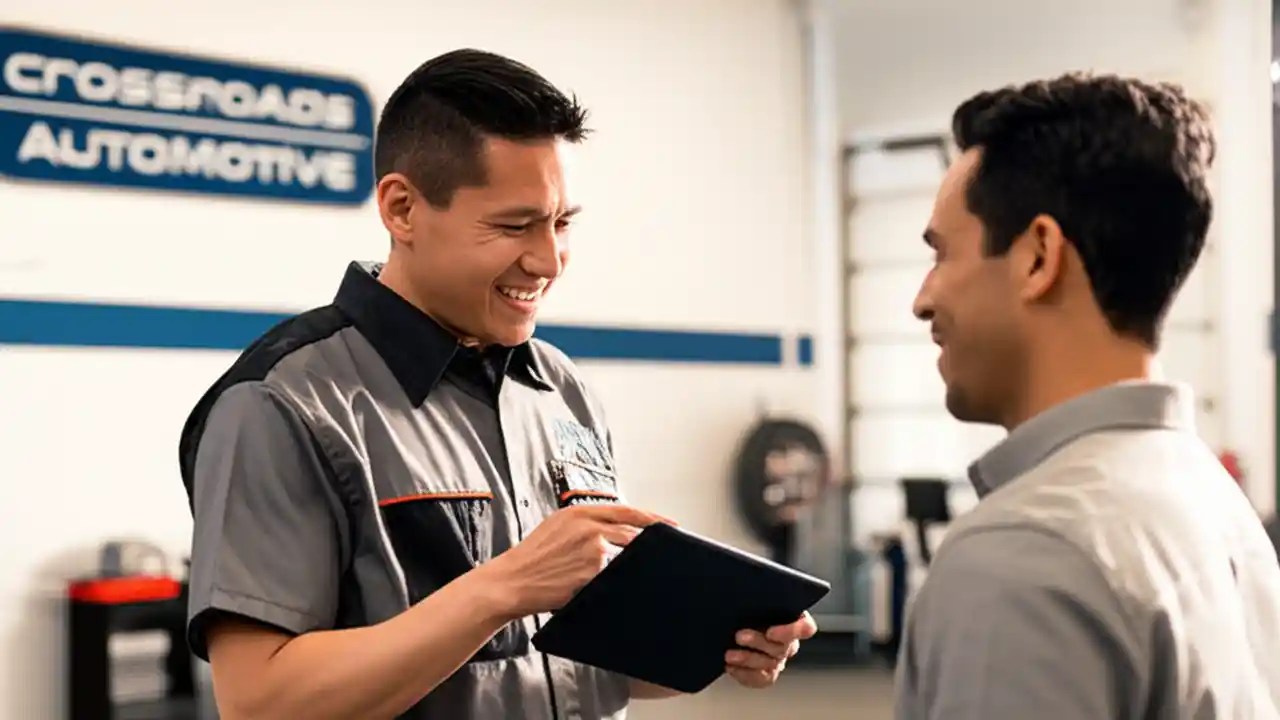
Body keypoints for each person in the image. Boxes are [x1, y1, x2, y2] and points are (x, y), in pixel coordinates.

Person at [177, 48, 815, 720]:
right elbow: (262, 702)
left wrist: (720, 642)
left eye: (562, 223)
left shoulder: (560, 390)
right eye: (514, 226)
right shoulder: (284, 403)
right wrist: (500, 590)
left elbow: (583, 668)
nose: (548, 260)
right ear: (401, 209)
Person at [896, 73, 1280, 718]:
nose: (923, 298)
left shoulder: (1024, 555)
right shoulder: (1214, 504)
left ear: (1038, 256)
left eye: (942, 255)